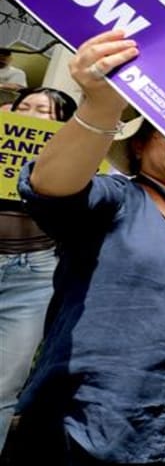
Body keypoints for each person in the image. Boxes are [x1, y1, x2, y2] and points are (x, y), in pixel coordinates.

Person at [4, 29, 165, 464]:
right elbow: (49, 189)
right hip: (81, 431)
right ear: (138, 143)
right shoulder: (115, 199)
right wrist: (100, 103)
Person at [0, 87, 77, 448]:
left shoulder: (78, 162)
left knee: (3, 385)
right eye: (22, 107)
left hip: (33, 276)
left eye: (43, 111)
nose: (29, 113)